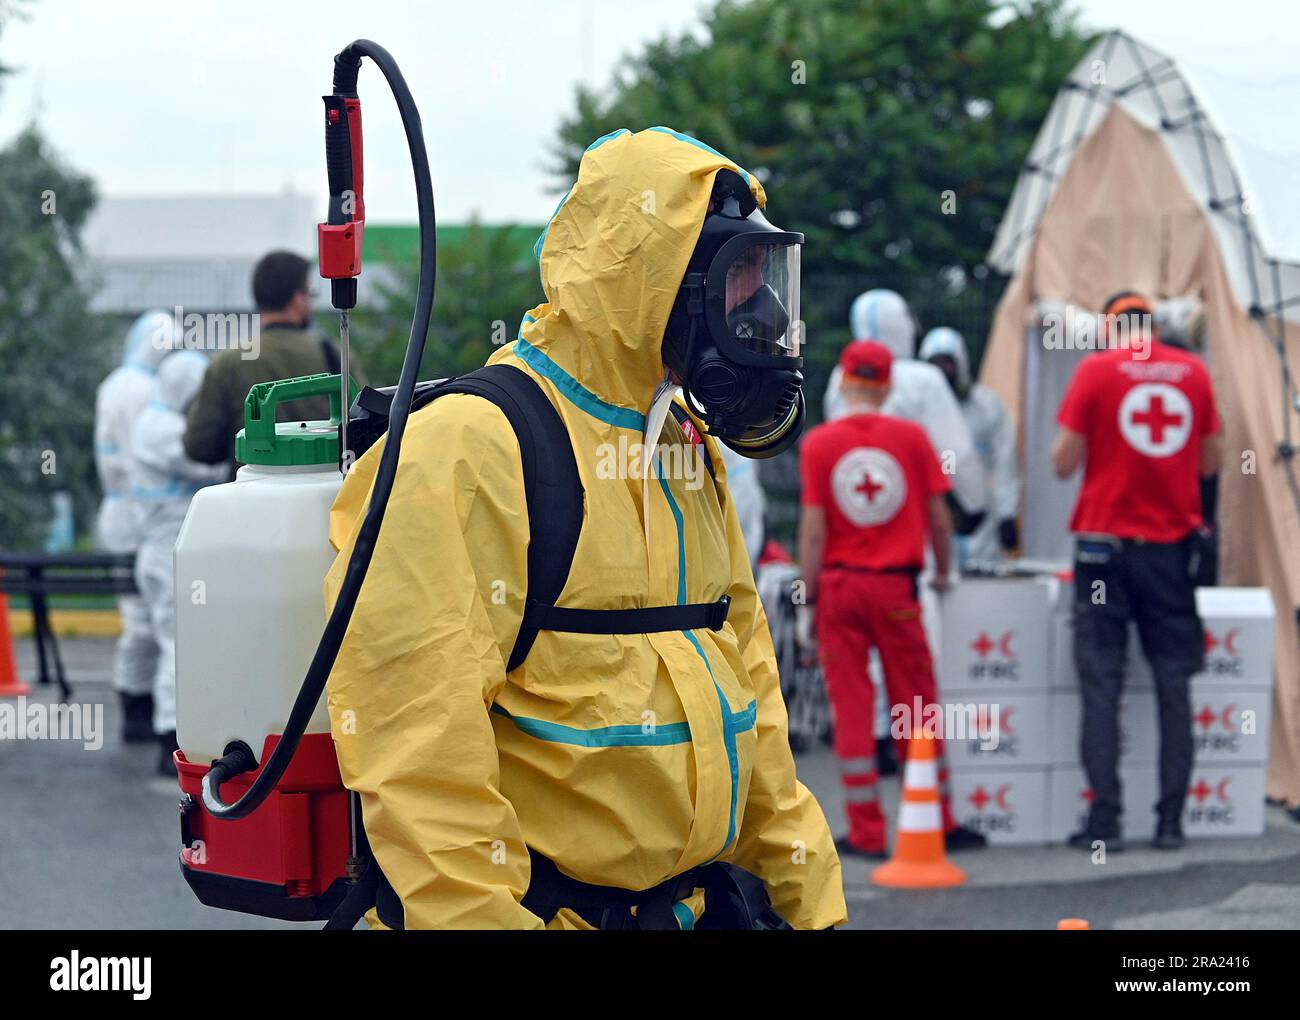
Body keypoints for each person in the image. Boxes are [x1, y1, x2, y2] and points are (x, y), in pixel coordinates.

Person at [324, 129, 845, 929]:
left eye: (765, 281)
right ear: (655, 277)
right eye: (739, 282)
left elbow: (754, 711)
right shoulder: (467, 447)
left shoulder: (680, 448)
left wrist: (812, 908)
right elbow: (419, 761)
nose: (763, 314)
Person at [799, 340, 987, 858]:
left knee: (854, 708)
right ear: (887, 385)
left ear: (842, 379)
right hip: (898, 589)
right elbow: (941, 521)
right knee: (916, 705)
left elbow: (813, 532)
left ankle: (865, 831)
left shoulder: (818, 444)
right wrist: (944, 574)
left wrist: (808, 598)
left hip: (839, 589)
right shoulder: (912, 439)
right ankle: (937, 819)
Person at [1052, 292, 1222, 851]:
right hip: (1170, 553)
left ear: (1109, 327)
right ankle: (1171, 824)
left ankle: (1106, 824)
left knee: (1102, 685)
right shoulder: (1194, 372)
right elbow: (1211, 462)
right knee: (1175, 687)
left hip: (1104, 551)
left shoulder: (1096, 370)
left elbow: (1063, 462)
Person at [129, 350, 227, 773]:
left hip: (160, 550)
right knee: (177, 643)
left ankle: (159, 725)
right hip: (166, 552)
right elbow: (205, 461)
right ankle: (170, 736)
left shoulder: (152, 421)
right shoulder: (163, 430)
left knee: (167, 639)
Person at [184, 251, 364, 474]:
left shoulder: (227, 363)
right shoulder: (337, 355)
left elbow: (199, 445)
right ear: (297, 298)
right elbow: (365, 428)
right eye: (310, 294)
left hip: (252, 498)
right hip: (328, 495)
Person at [823, 289, 988, 531]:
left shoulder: (840, 377)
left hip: (853, 506)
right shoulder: (925, 379)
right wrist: (974, 502)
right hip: (912, 514)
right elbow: (954, 452)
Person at [93, 310, 176, 743]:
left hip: (119, 513)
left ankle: (134, 706)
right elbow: (144, 461)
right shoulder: (146, 392)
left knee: (136, 616)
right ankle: (145, 712)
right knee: (152, 618)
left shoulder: (113, 383)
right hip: (142, 514)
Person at [918, 326, 1021, 566]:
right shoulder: (917, 410)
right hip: (934, 508)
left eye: (947, 363)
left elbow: (1005, 462)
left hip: (981, 514)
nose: (941, 371)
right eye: (935, 364)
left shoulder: (986, 406)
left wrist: (1008, 513)